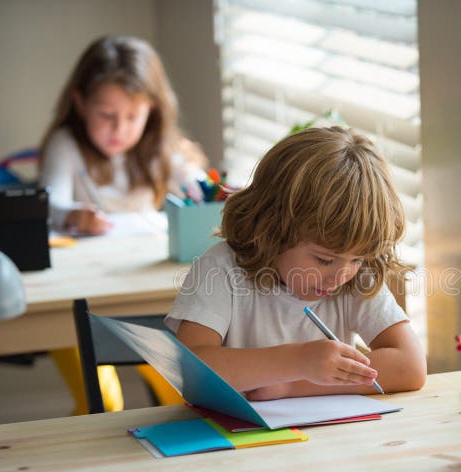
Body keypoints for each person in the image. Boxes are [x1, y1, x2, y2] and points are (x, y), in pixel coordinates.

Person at [166, 126, 427, 400]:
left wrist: (291, 384)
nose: (341, 276)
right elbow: (192, 372)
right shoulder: (221, 269)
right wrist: (297, 361)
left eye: (358, 259)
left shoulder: (355, 278)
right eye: (324, 259)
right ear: (272, 228)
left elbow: (410, 366)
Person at [39, 35, 207, 413]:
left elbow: (197, 183)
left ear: (152, 108)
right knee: (104, 400)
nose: (120, 129)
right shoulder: (67, 144)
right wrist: (72, 216)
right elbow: (47, 205)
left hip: (139, 295)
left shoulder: (161, 147)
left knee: (183, 392)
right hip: (75, 298)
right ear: (80, 103)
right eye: (107, 115)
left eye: (133, 116)